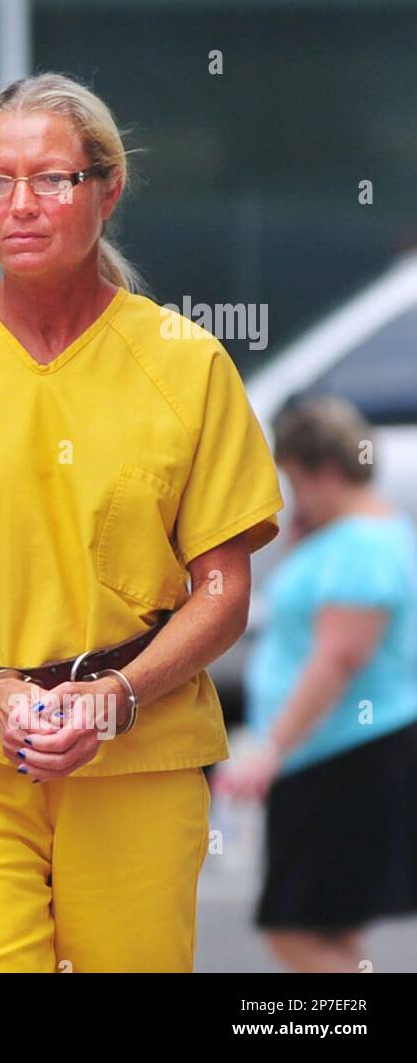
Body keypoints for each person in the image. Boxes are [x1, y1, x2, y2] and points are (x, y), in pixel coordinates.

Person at [0, 72, 285, 972]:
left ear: (108, 189)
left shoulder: (185, 365)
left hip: (141, 745)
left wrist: (116, 698)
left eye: (52, 179)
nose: (21, 205)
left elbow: (224, 590)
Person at [218, 394, 417, 972]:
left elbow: (337, 659)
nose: (291, 498)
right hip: (337, 756)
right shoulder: (356, 532)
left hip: (343, 758)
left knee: (294, 928)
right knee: (332, 929)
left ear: (326, 472)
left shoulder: (362, 548)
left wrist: (270, 750)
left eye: (296, 482)